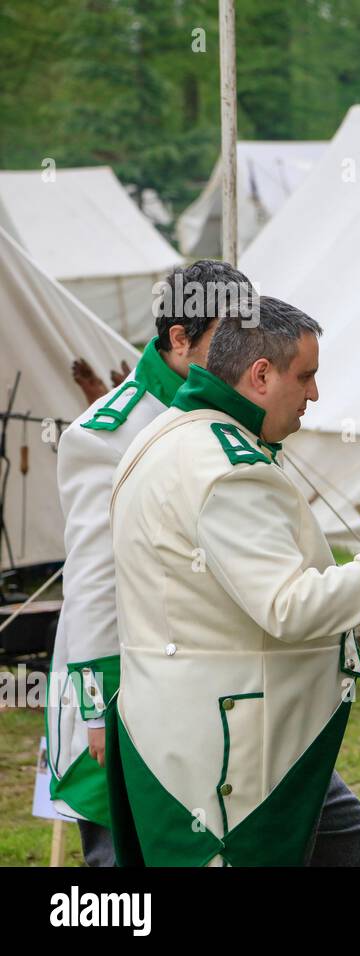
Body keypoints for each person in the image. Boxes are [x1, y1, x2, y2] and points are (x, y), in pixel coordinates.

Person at [105, 296, 360, 866]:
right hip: (229, 756)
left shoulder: (161, 434)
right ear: (260, 374)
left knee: (348, 838)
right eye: (306, 376)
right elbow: (291, 607)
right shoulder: (230, 470)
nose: (314, 394)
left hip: (176, 726)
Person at [47, 259, 249, 867]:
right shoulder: (104, 435)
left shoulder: (237, 409)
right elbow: (93, 585)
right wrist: (99, 710)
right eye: (225, 341)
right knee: (122, 870)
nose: (243, 357)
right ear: (179, 339)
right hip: (124, 692)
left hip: (217, 691)